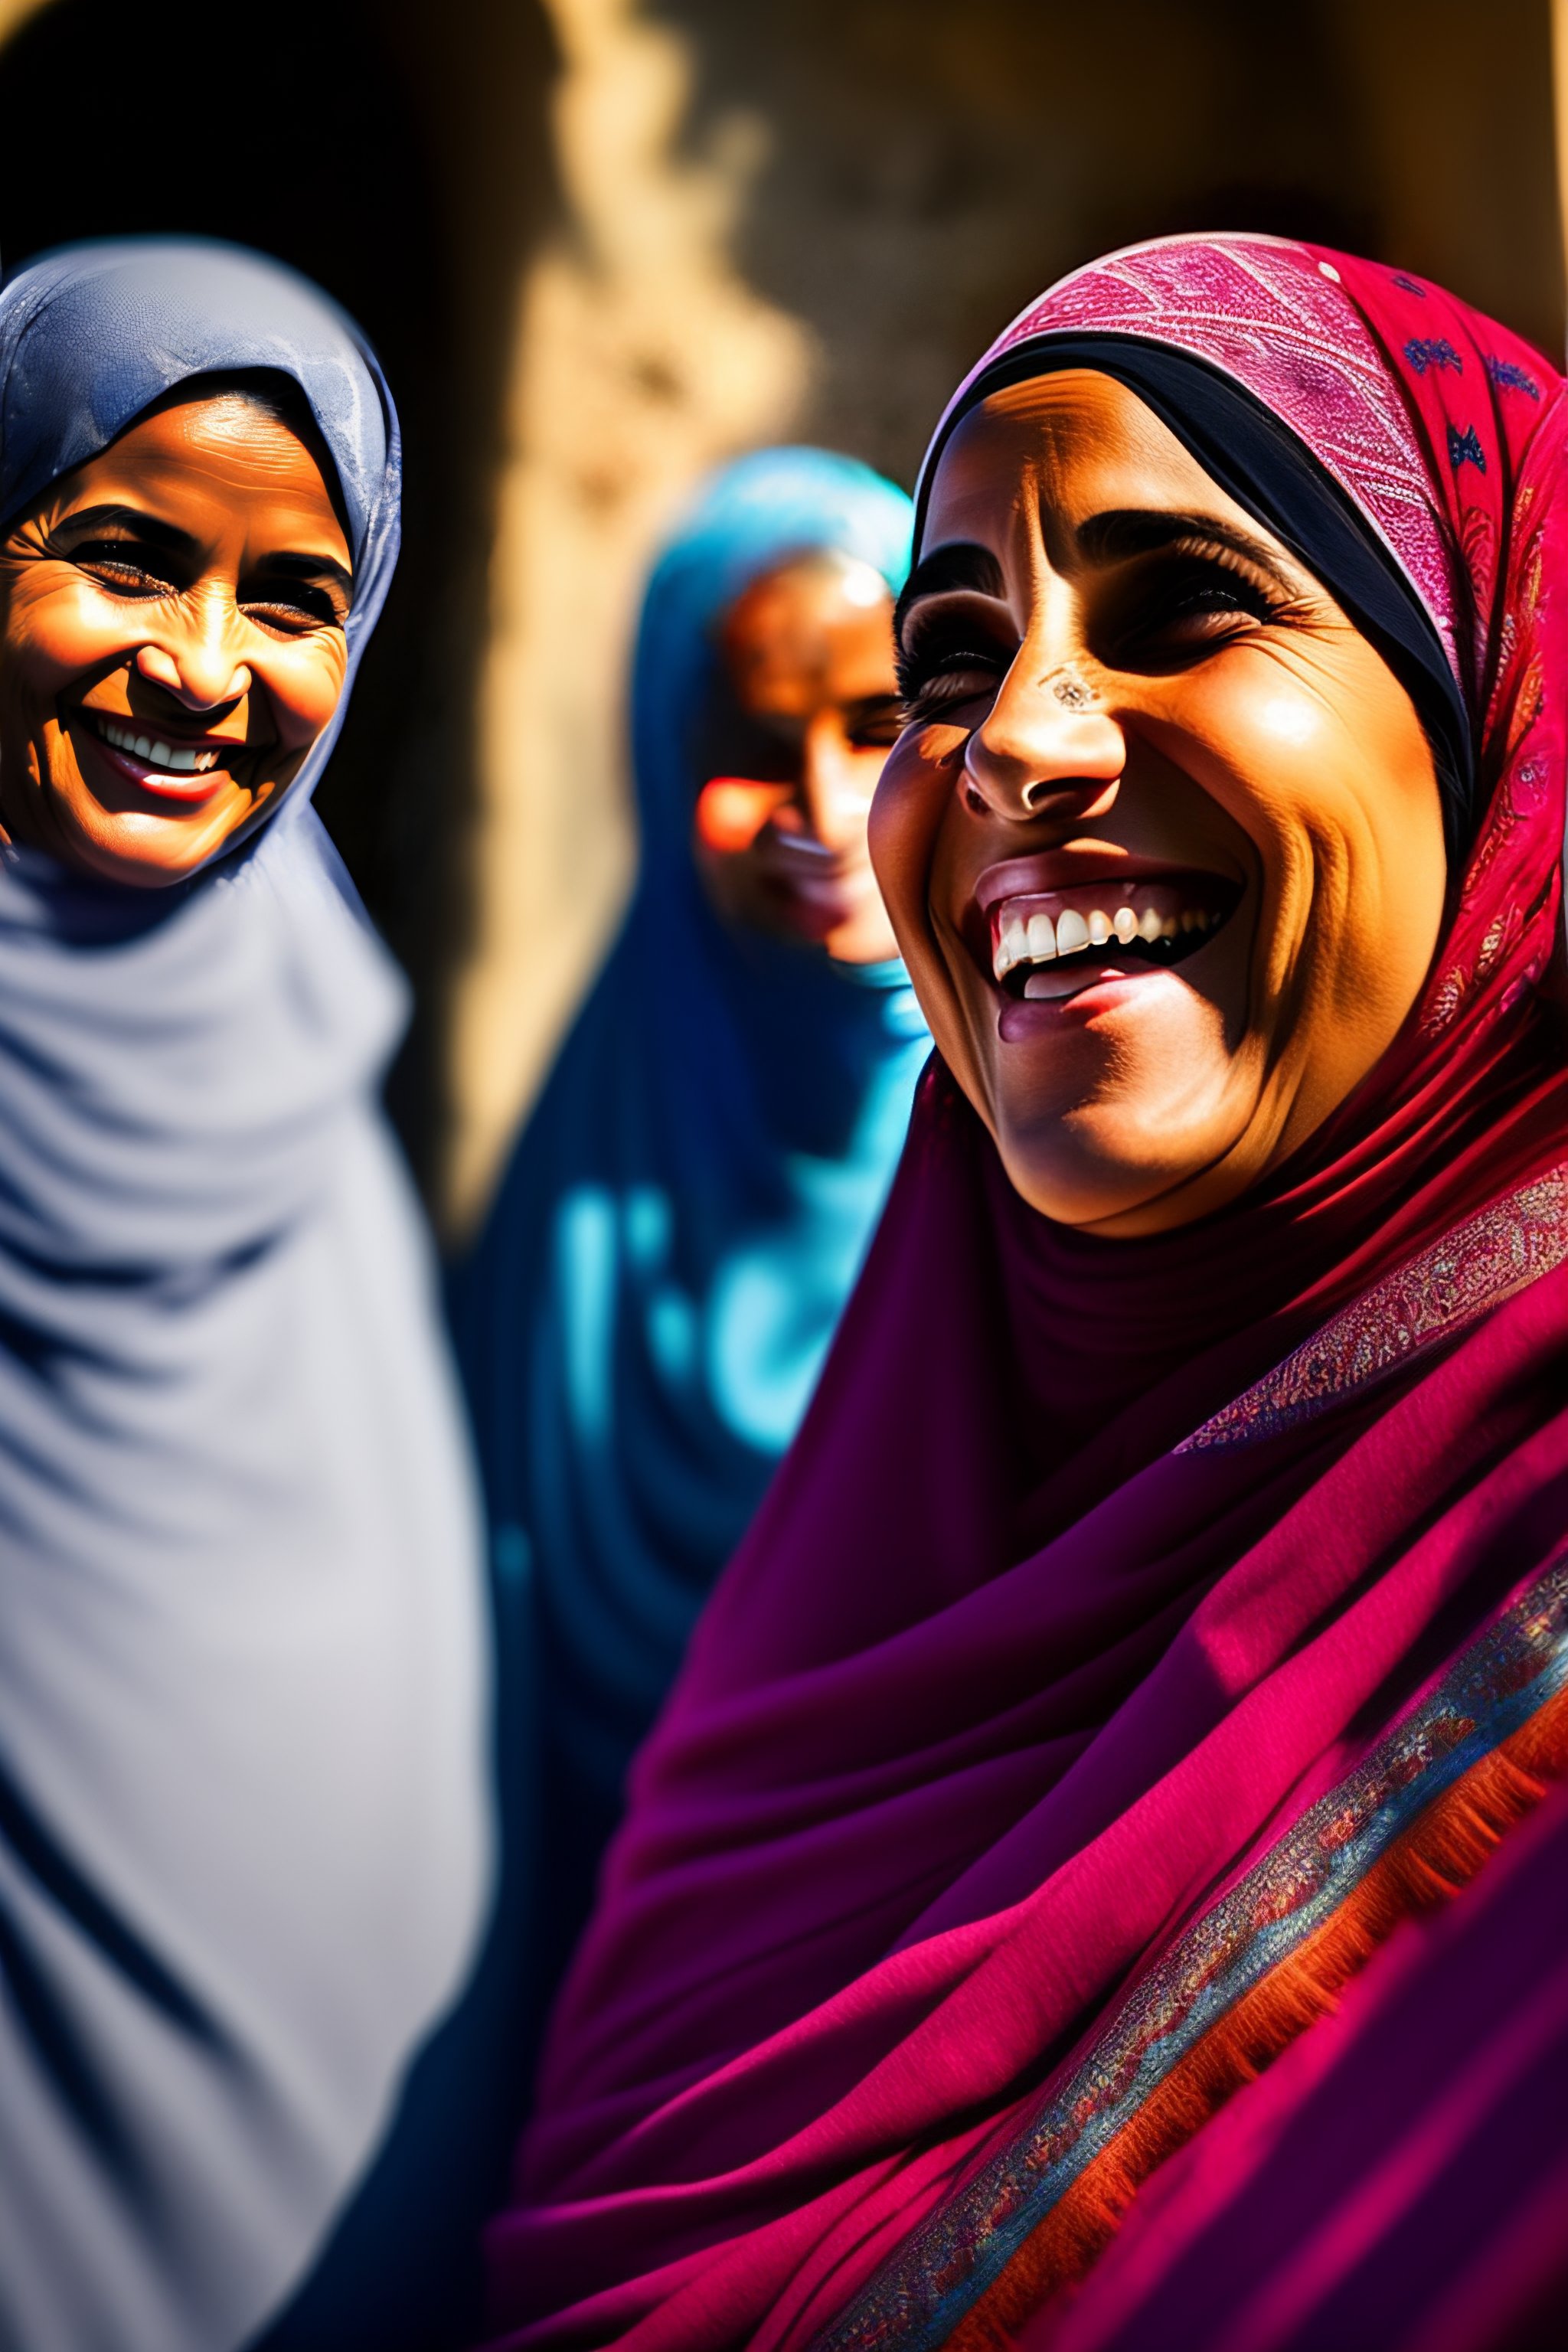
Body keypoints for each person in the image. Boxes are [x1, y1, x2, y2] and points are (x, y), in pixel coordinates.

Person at [479, 237, 1568, 2349]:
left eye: (1186, 609)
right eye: (952, 663)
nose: (1014, 745)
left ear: (1504, 730)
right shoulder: (863, 1574)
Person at [0, 241, 490, 2352]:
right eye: (123, 558)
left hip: (374, 2197)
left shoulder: (300, 1019)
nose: (203, 672)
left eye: (291, 598)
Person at [452, 449, 928, 2059]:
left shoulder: (1051, 1157)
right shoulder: (581, 1200)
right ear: (659, 775)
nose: (821, 810)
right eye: (743, 747)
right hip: (605, 1995)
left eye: (879, 727)